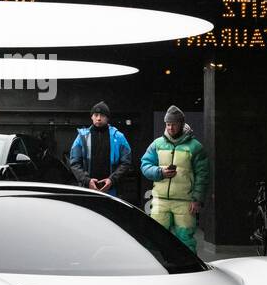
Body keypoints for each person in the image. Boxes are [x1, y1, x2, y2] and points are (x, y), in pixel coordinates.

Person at [140, 105, 211, 252]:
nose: (170, 128)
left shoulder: (195, 147)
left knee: (186, 239)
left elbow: (203, 174)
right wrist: (160, 172)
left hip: (185, 201)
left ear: (182, 124)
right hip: (160, 200)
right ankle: (159, 266)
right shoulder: (157, 144)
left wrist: (197, 199)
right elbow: (145, 165)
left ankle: (189, 268)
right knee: (156, 237)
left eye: (174, 124)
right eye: (168, 124)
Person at [69, 101, 133, 197]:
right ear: (92, 117)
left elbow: (126, 162)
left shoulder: (119, 137)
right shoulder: (82, 137)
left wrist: (112, 180)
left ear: (107, 118)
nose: (98, 118)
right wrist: (87, 181)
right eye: (96, 115)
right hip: (88, 190)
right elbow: (74, 163)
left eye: (102, 115)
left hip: (113, 190)